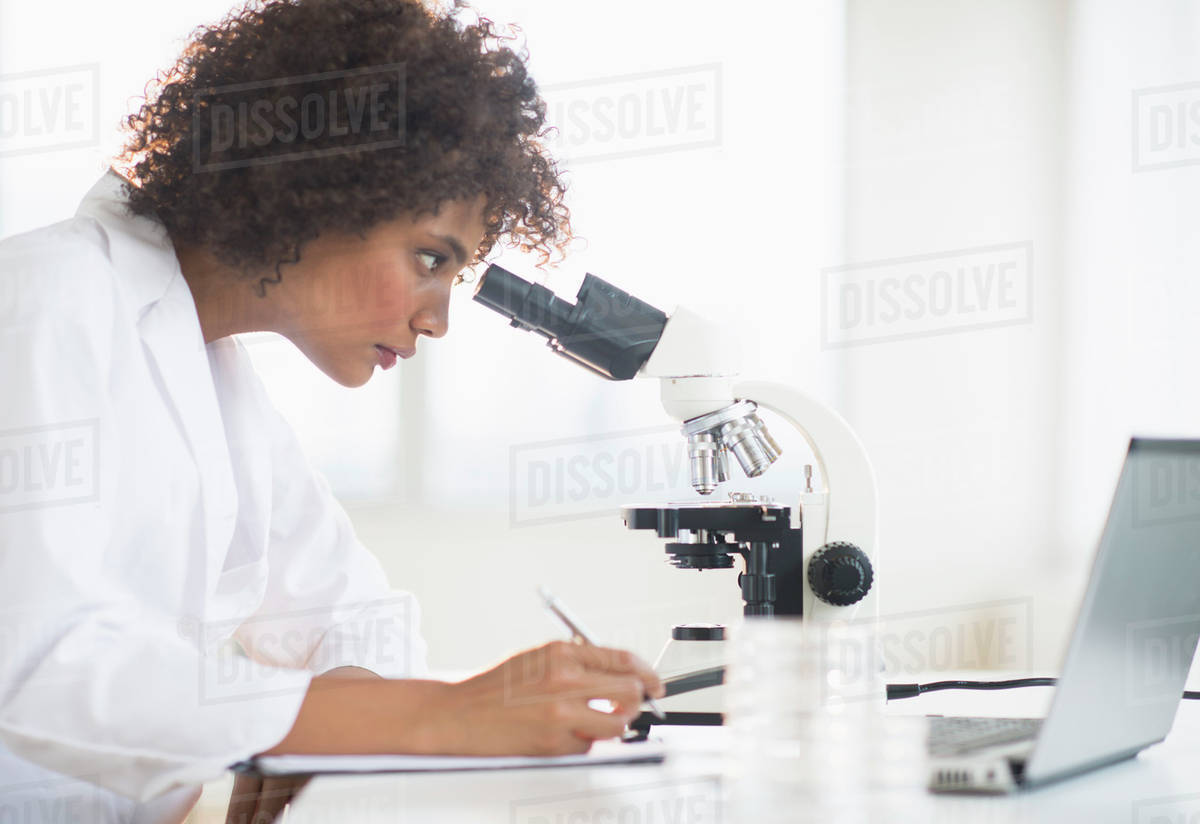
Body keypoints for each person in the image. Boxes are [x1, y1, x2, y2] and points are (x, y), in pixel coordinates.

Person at [0, 0, 664, 821]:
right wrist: (425, 716)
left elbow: (358, 614)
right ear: (318, 191)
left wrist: (328, 727)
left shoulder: (216, 374)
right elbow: (43, 667)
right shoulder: (44, 299)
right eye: (431, 259)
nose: (437, 321)